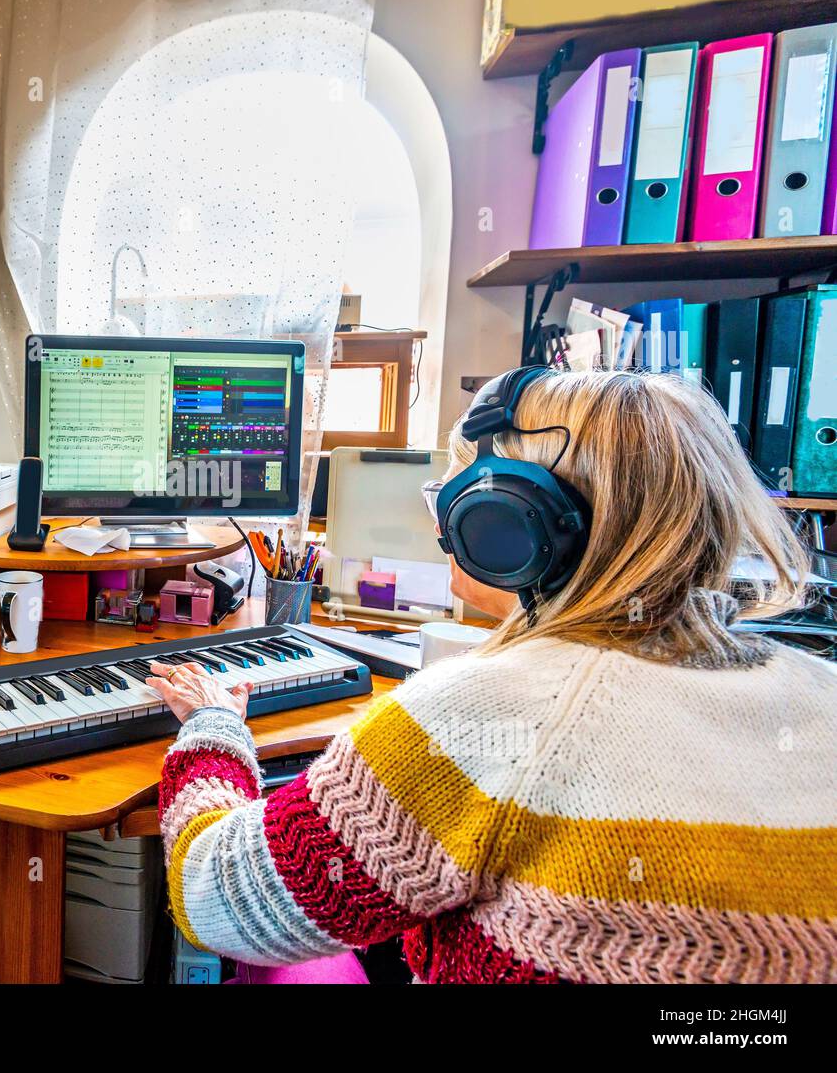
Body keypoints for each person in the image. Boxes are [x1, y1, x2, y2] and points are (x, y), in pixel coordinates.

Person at [147, 368, 837, 984]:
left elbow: (216, 893)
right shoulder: (821, 689)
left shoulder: (493, 714)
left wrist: (214, 728)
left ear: (508, 519)